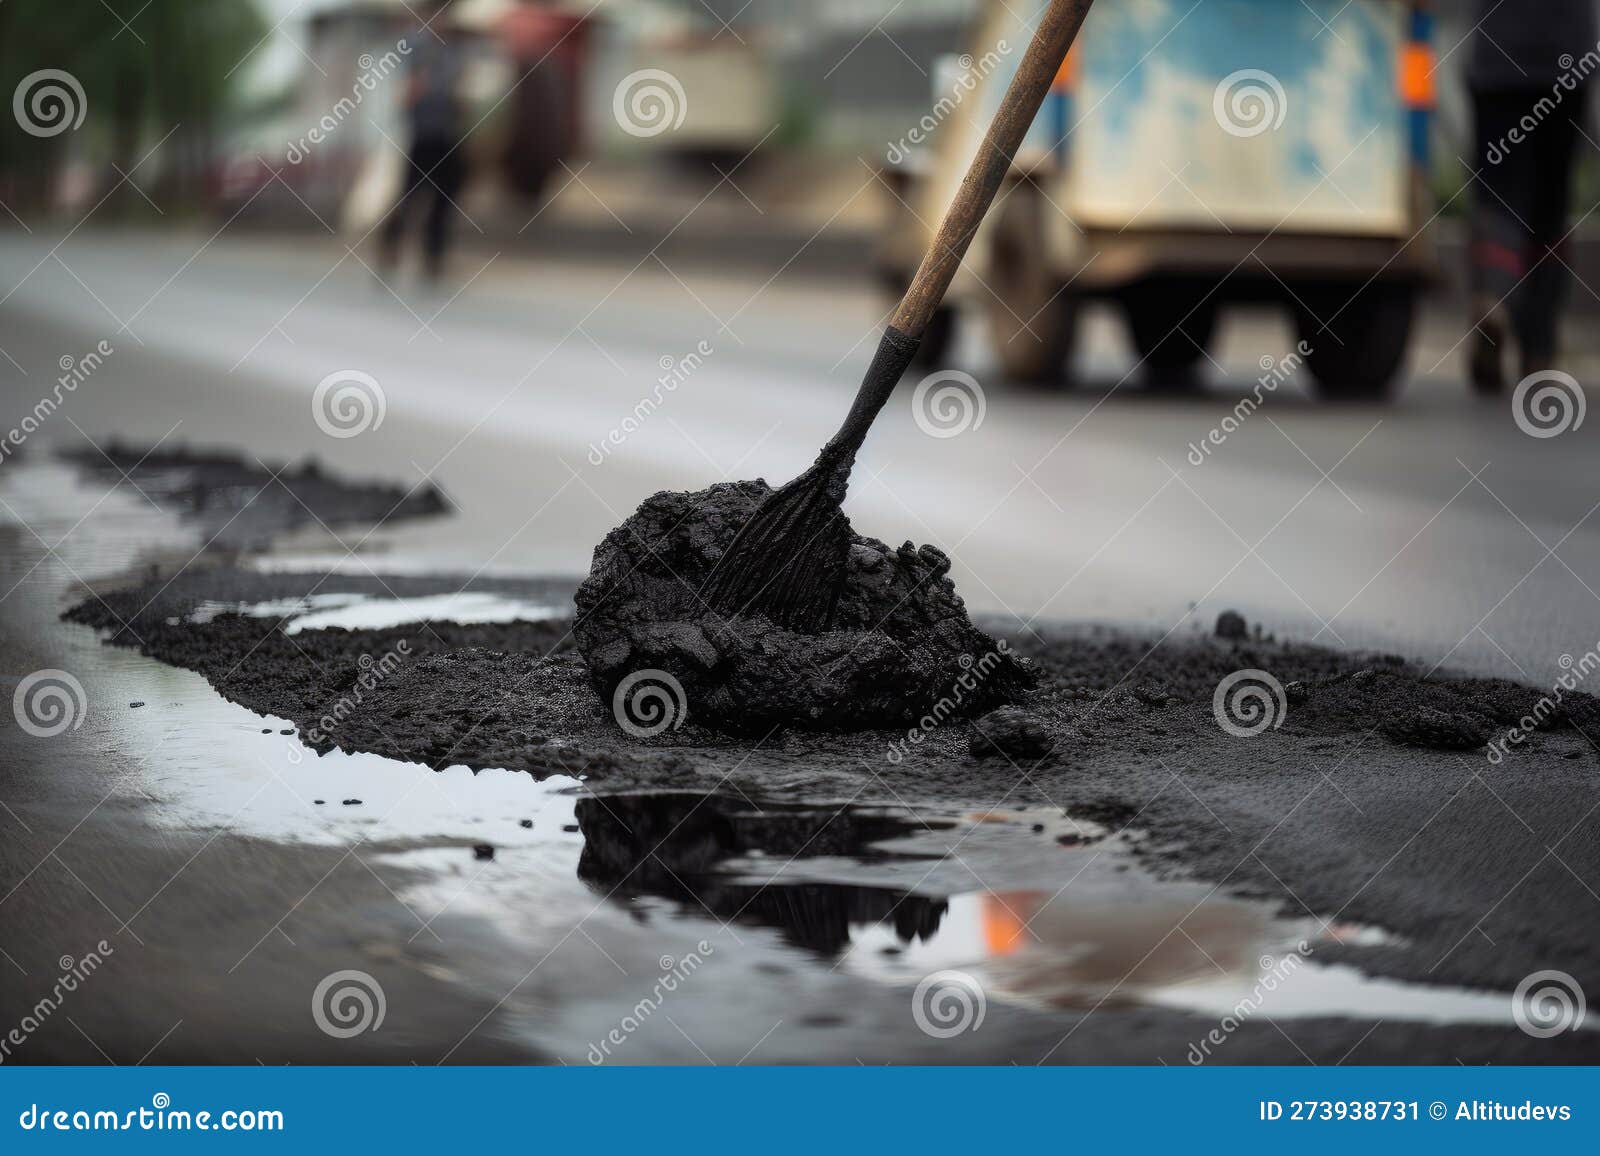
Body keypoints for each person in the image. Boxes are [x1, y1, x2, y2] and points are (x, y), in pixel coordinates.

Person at [1467, 0, 1597, 393]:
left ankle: (1494, 296)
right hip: (1566, 55)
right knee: (1551, 204)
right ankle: (1539, 347)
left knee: (1498, 193)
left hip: (1498, 57)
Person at [379, 2, 468, 284]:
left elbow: (459, 87)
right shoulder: (415, 46)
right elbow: (407, 91)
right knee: (410, 194)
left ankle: (434, 254)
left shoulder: (453, 48)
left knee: (446, 195)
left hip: (448, 133)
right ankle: (390, 245)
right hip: (422, 133)